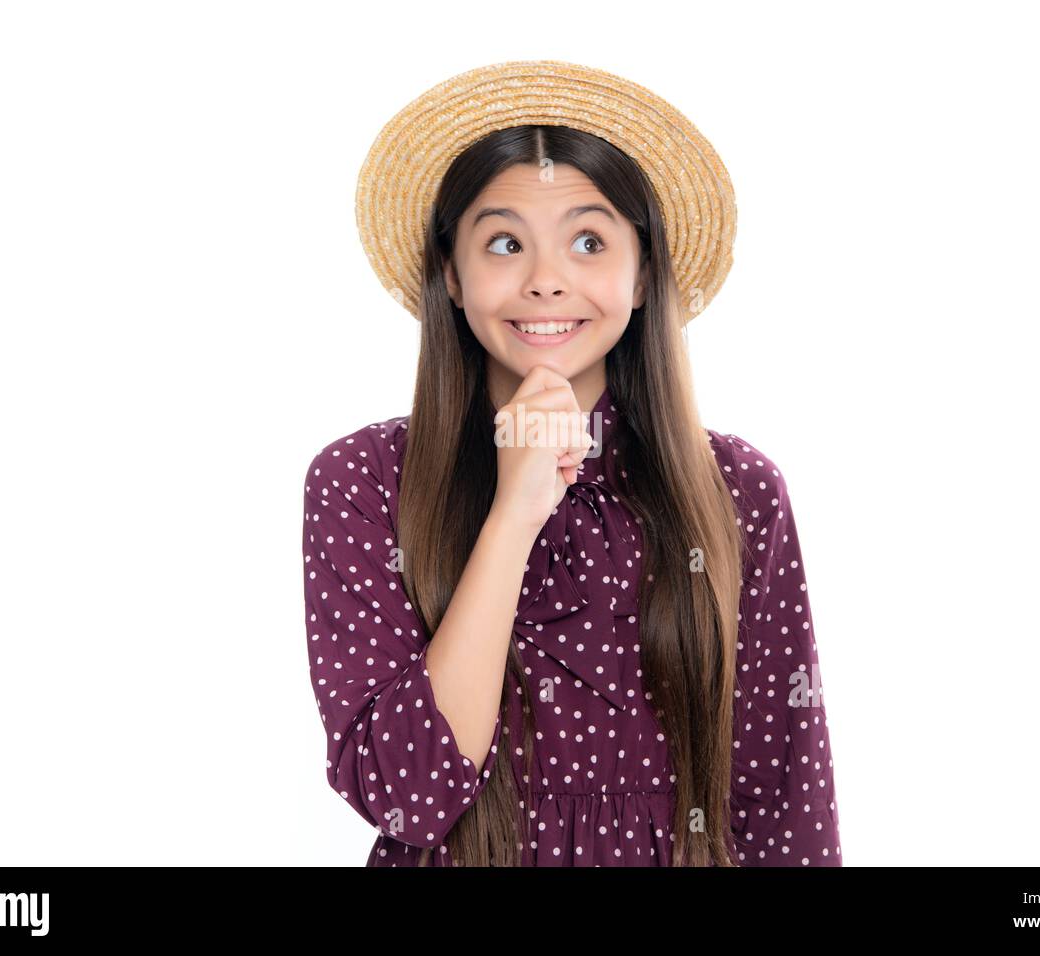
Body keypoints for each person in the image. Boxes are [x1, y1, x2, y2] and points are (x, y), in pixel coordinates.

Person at [301, 60, 841, 866]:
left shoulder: (736, 491)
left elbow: (783, 800)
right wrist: (513, 514)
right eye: (505, 242)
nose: (546, 282)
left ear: (644, 270)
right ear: (451, 272)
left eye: (589, 241)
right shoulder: (363, 480)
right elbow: (406, 791)